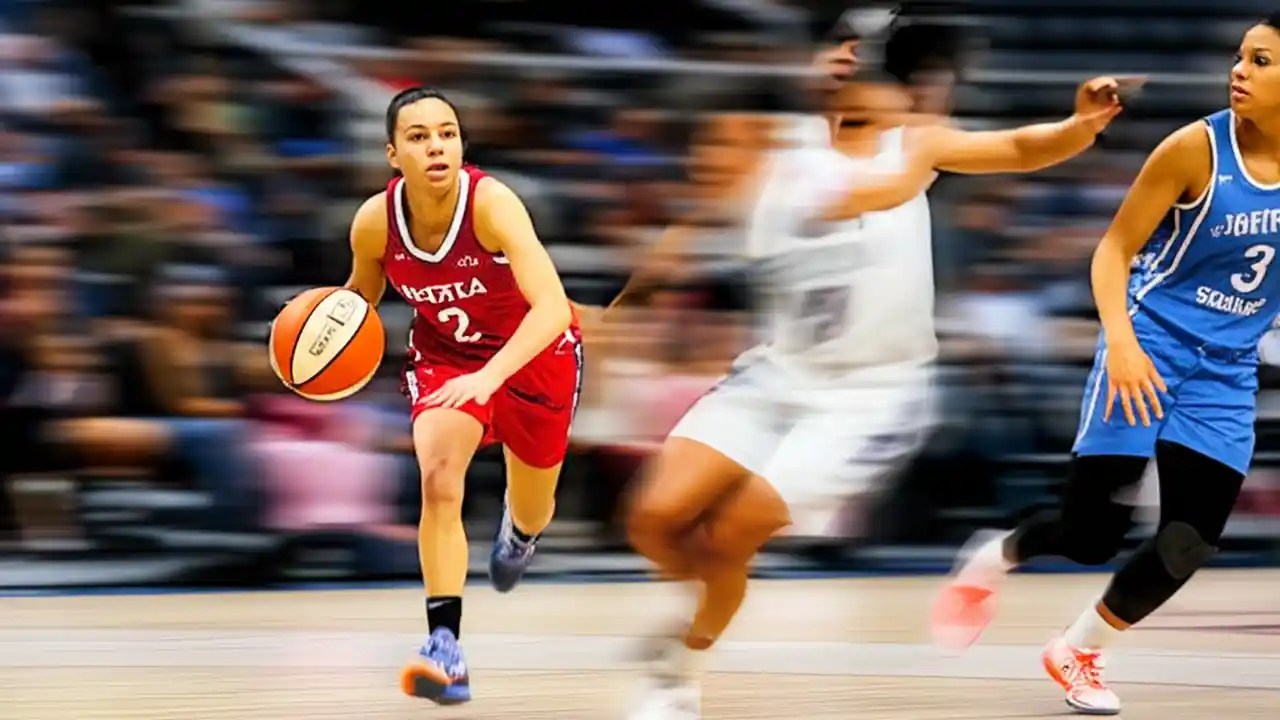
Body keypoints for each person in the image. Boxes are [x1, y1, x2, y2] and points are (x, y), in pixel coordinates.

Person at [617, 8, 1130, 718]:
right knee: (652, 517)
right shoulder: (778, 145)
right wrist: (615, 311)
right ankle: (706, 599)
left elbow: (1015, 146)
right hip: (779, 370)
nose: (844, 60)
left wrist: (1078, 127)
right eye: (835, 47)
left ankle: (679, 664)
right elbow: (697, 219)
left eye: (860, 53)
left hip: (871, 392)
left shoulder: (912, 142)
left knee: (731, 531)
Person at [931, 15, 1280, 717]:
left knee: (1188, 542)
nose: (1239, 70)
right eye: (1241, 56)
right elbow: (1113, 251)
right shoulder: (1195, 149)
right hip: (1148, 346)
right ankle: (997, 552)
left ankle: (1078, 650)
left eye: (1263, 60)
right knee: (1092, 538)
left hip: (1227, 370)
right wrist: (1120, 341)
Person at [343, 86, 582, 705]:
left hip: (536, 354)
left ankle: (521, 533)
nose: (436, 145)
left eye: (447, 132)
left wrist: (492, 376)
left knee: (535, 506)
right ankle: (443, 647)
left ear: (461, 144)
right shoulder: (375, 222)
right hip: (446, 359)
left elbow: (552, 307)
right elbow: (360, 299)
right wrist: (316, 334)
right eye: (419, 136)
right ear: (394, 154)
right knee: (439, 480)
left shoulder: (493, 204)